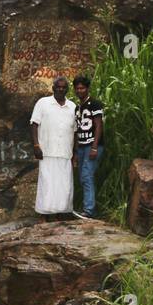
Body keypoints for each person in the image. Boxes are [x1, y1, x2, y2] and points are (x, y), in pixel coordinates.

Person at [30, 76, 77, 219]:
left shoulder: (73, 107)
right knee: (47, 184)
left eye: (64, 87)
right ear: (53, 88)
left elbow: (75, 131)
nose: (61, 89)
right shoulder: (43, 103)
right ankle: (43, 216)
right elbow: (34, 124)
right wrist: (36, 145)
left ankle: (59, 215)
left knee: (63, 186)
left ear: (67, 90)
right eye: (58, 87)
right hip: (47, 151)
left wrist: (75, 153)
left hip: (65, 152)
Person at [71, 74, 104, 220]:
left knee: (86, 175)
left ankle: (89, 211)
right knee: (83, 177)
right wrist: (76, 151)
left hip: (92, 145)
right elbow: (78, 131)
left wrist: (95, 147)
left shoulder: (95, 104)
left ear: (88, 88)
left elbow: (98, 125)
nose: (79, 91)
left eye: (82, 88)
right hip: (82, 146)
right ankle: (88, 208)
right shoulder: (77, 108)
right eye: (77, 88)